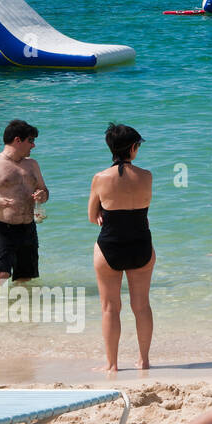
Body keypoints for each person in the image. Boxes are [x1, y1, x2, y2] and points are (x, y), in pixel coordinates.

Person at [87, 124, 155, 372]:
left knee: (109, 307)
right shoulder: (147, 176)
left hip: (109, 247)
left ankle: (112, 364)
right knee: (142, 306)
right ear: (133, 147)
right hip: (141, 244)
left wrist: (103, 214)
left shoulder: (100, 178)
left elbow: (92, 215)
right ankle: (144, 360)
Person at [0, 120, 48, 289]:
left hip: (28, 228)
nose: (33, 146)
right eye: (31, 141)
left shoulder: (32, 164)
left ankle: (18, 314)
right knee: (0, 276)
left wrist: (42, 195)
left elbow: (44, 191)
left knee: (25, 280)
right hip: (1, 228)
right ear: (18, 140)